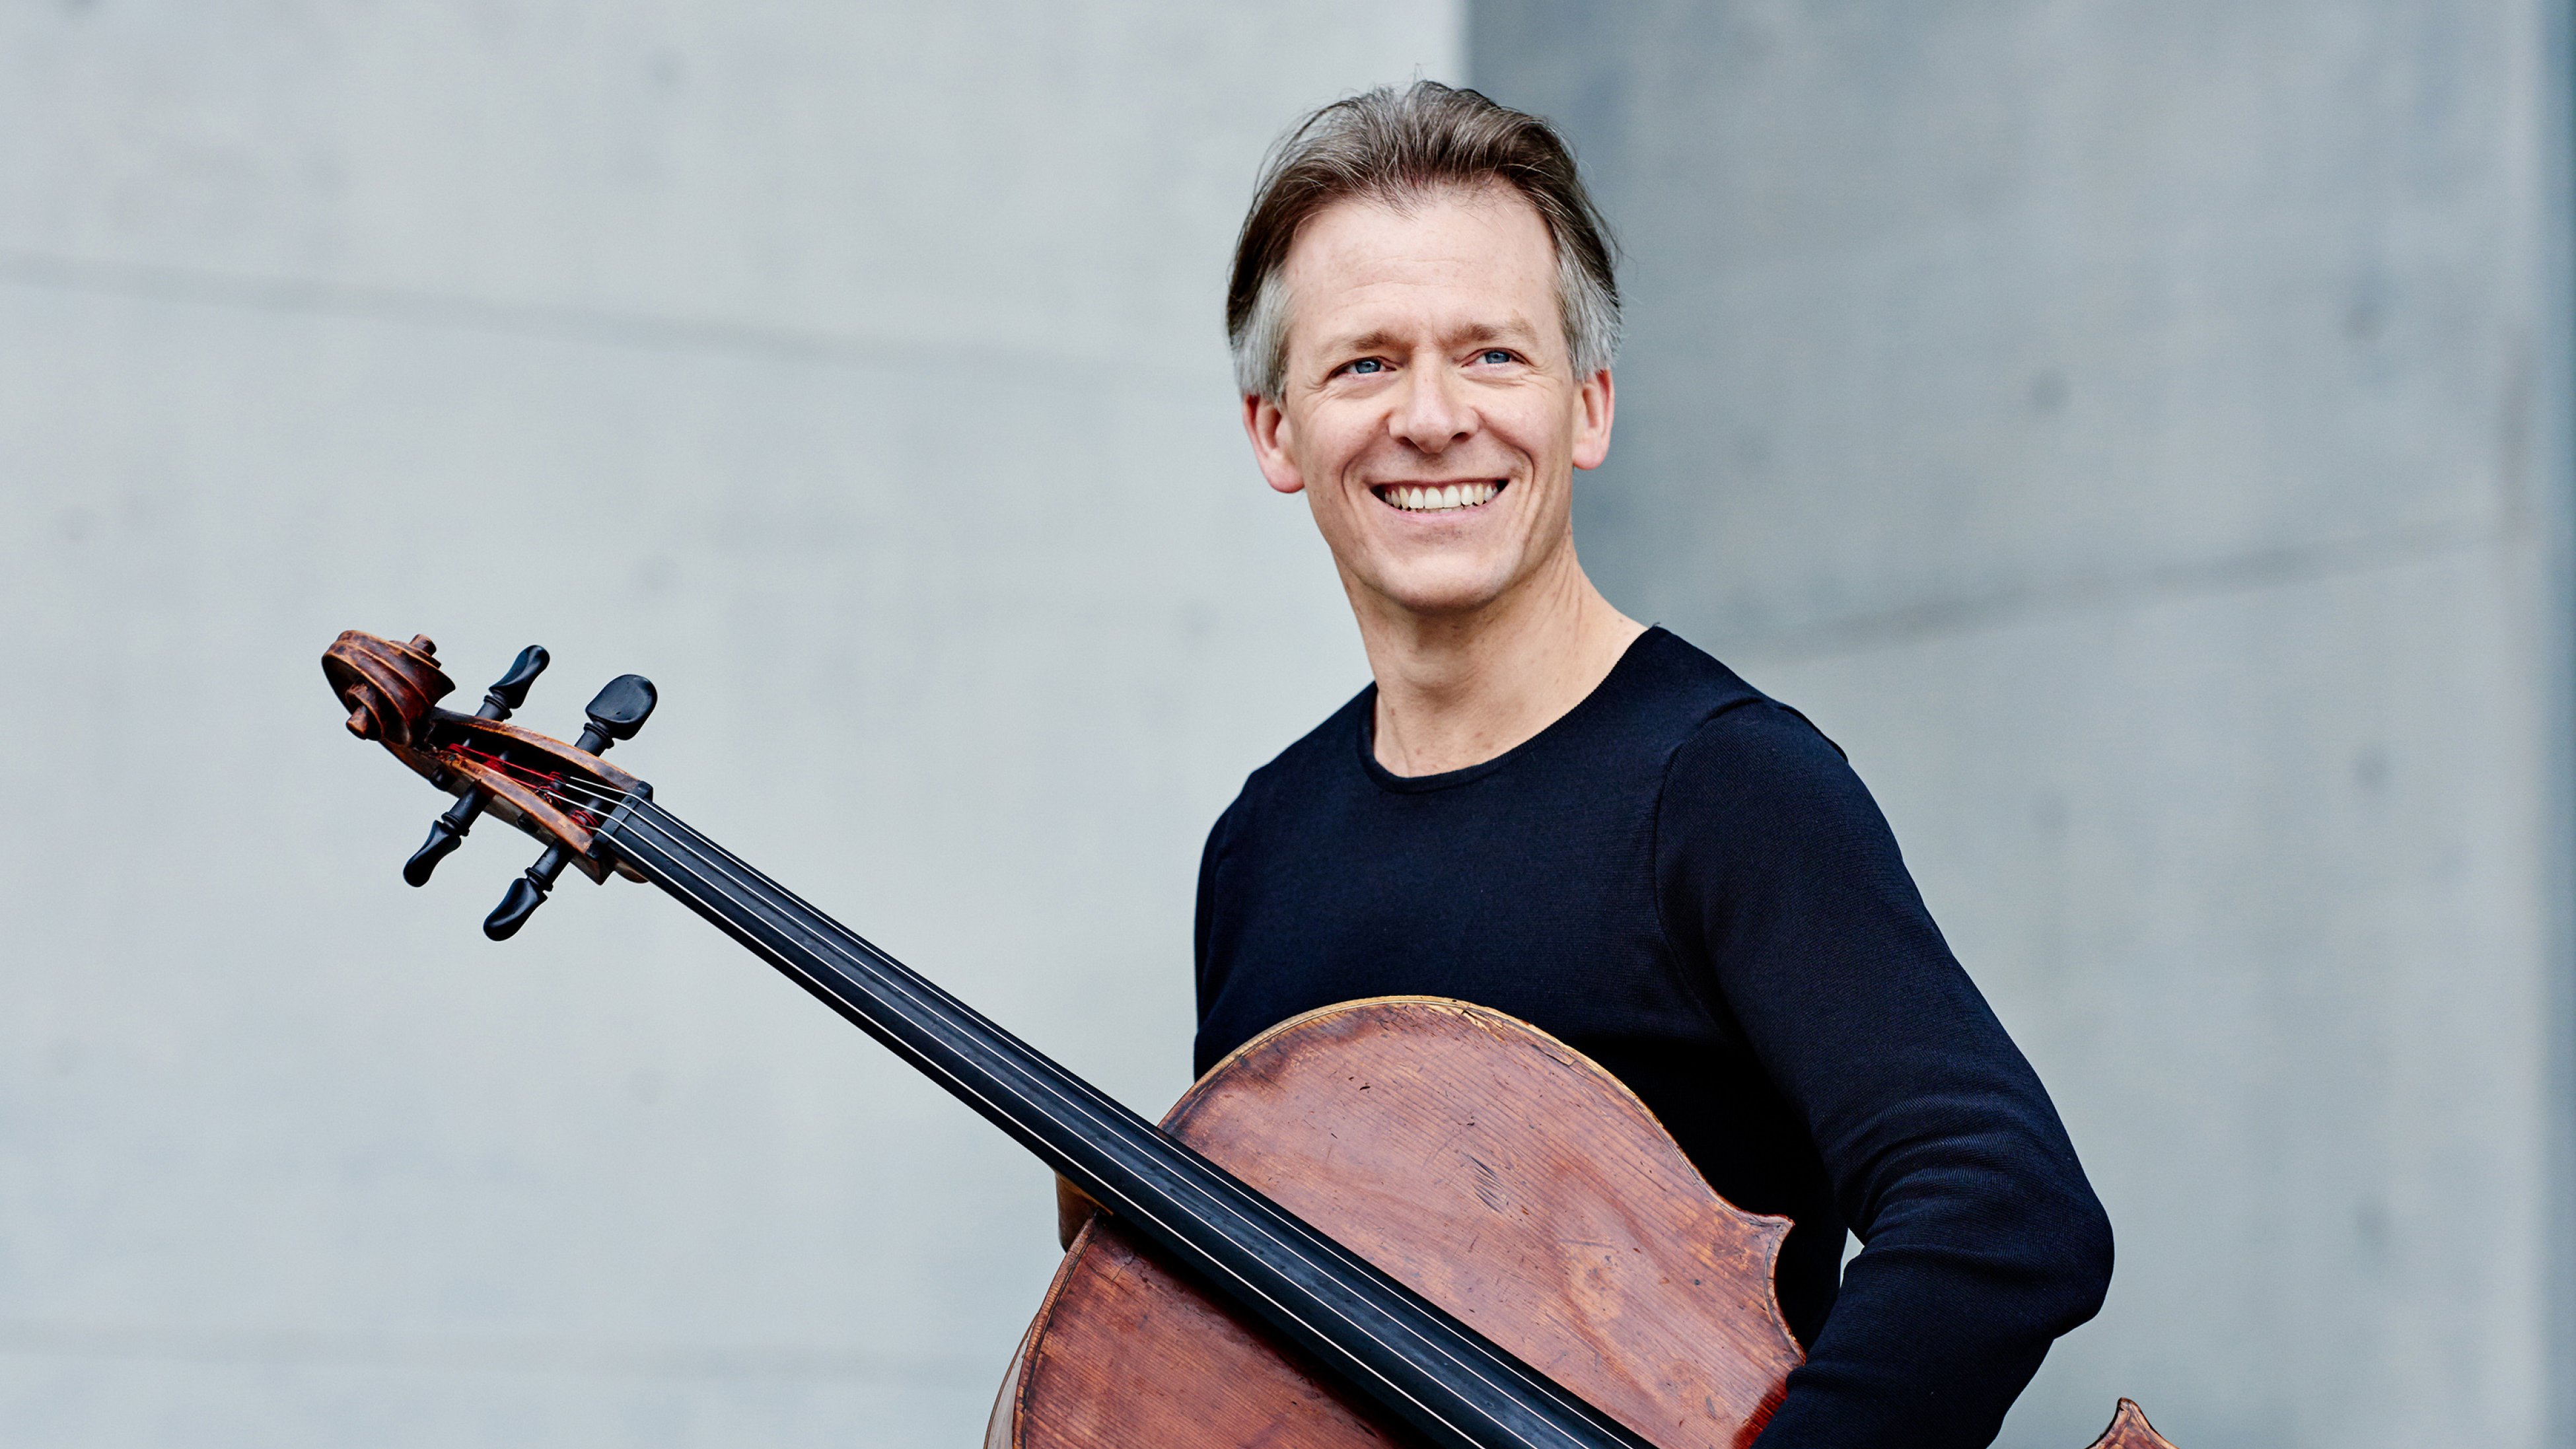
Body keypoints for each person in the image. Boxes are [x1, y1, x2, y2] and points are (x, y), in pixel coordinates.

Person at [1193, 81, 2114, 1448]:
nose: (1433, 416)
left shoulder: (1725, 790)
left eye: (1493, 354)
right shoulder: (1263, 845)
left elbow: (2005, 1205)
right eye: (1365, 364)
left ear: (1588, 406)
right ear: (1276, 429)